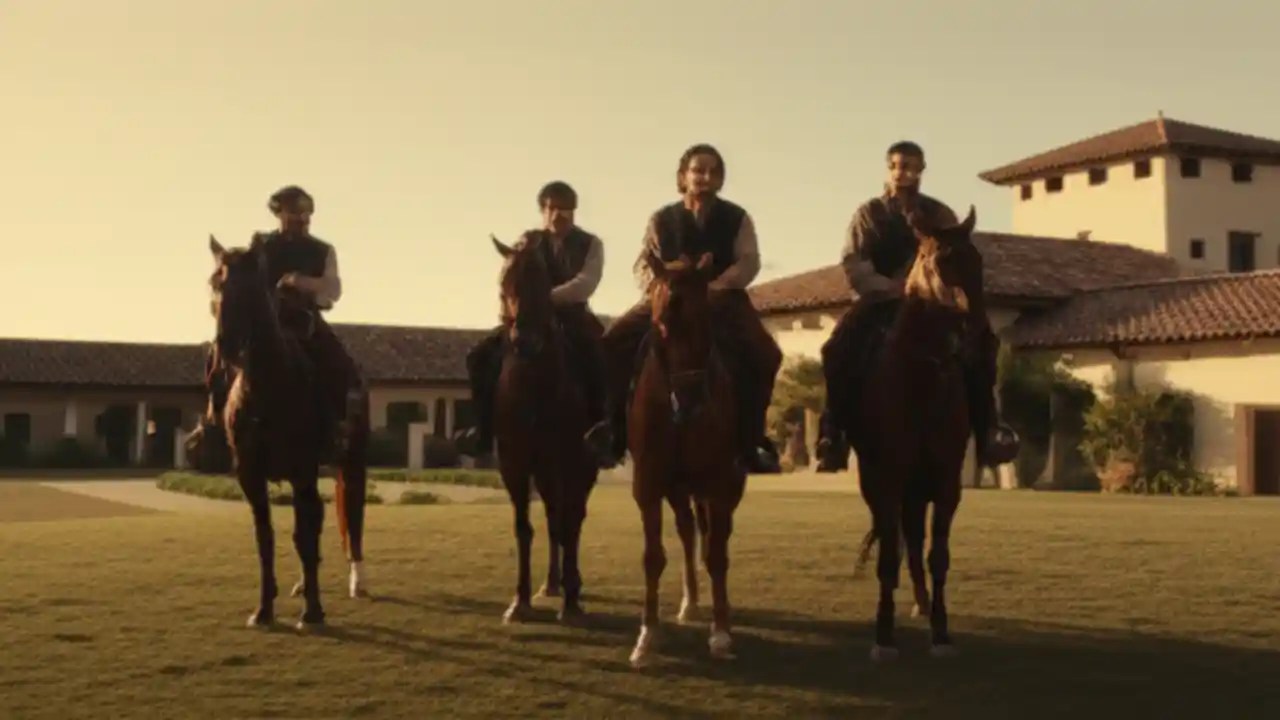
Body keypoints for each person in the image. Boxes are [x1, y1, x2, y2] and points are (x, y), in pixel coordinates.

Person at [814, 141, 1019, 471]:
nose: (903, 172)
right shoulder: (869, 213)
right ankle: (832, 434)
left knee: (981, 345)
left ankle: (989, 430)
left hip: (933, 306)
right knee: (836, 348)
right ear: (888, 169)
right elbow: (855, 262)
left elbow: (957, 257)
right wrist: (891, 288)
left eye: (911, 166)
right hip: (880, 301)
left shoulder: (940, 213)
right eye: (897, 166)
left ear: (921, 170)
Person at [590, 143, 783, 474]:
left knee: (766, 353)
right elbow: (643, 263)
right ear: (684, 176)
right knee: (612, 342)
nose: (704, 177)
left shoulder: (736, 218)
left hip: (721, 298)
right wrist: (660, 287)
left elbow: (748, 260)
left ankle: (751, 439)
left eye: (712, 171)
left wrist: (717, 286)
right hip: (669, 298)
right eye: (697, 170)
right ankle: (614, 431)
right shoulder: (662, 219)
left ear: (720, 179)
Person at [189, 185, 363, 458]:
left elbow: (333, 289)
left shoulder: (322, 250)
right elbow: (242, 274)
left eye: (307, 213)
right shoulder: (262, 246)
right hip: (262, 320)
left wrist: (300, 281)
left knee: (342, 365)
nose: (302, 218)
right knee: (219, 355)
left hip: (304, 320)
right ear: (279, 213)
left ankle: (338, 428)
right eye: (295, 212)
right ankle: (212, 422)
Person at [457, 181, 615, 466]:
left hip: (572, 314)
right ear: (543, 210)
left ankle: (601, 431)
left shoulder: (591, 244)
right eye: (552, 208)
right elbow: (508, 279)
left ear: (574, 212)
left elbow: (586, 283)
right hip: (528, 318)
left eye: (565, 208)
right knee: (479, 357)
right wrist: (509, 312)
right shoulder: (527, 241)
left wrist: (545, 298)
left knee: (600, 356)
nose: (559, 214)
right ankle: (482, 430)